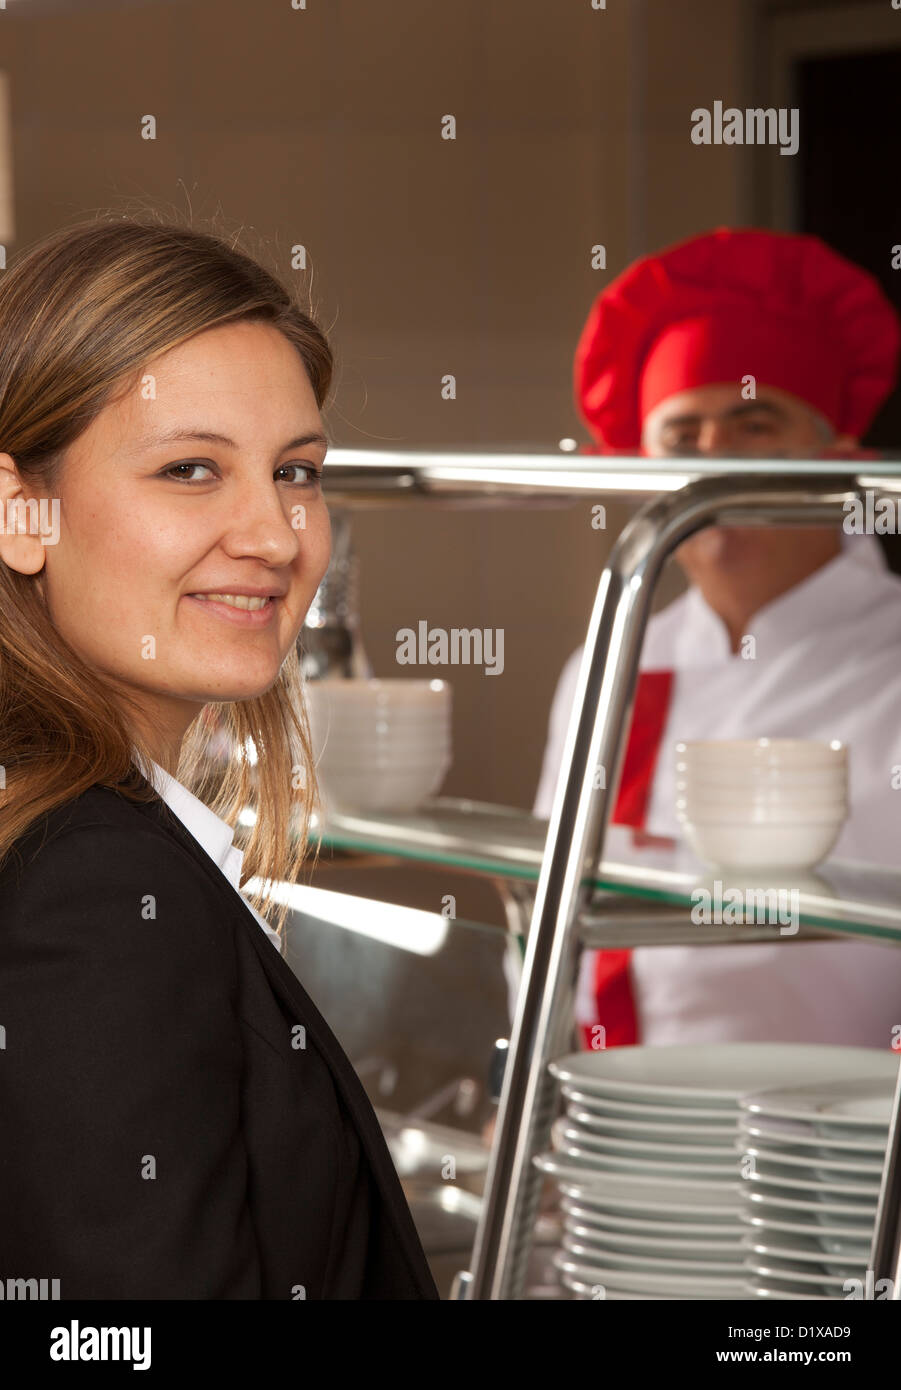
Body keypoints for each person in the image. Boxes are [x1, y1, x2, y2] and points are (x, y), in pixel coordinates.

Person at [0, 217, 439, 1300]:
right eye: (191, 469)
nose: (279, 535)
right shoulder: (94, 888)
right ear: (21, 511)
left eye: (297, 470)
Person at [533, 227, 901, 1051]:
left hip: (857, 1152)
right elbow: (544, 913)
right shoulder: (610, 658)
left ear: (840, 457)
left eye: (752, 424)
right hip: (617, 1132)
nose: (712, 464)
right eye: (681, 436)